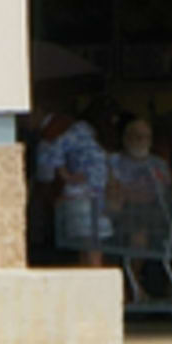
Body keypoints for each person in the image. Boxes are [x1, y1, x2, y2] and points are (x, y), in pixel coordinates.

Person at [35, 104, 110, 260]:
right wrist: (67, 176)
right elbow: (51, 157)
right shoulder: (82, 137)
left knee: (88, 242)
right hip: (89, 194)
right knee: (91, 242)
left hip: (85, 194)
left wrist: (66, 176)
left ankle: (91, 277)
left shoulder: (71, 137)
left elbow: (50, 159)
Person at [107, 115, 172, 246]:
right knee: (137, 231)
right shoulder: (114, 161)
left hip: (156, 213)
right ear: (126, 138)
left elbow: (166, 190)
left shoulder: (159, 164)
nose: (141, 140)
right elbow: (113, 190)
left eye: (146, 136)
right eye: (136, 135)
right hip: (124, 213)